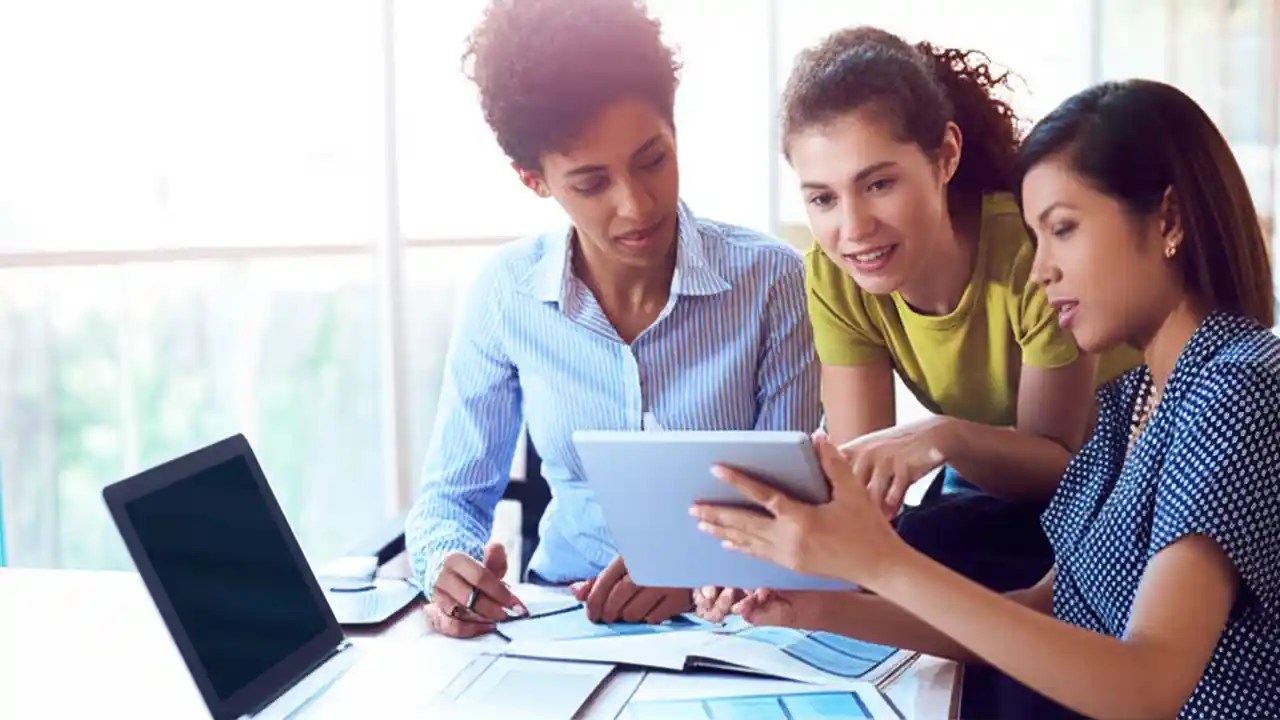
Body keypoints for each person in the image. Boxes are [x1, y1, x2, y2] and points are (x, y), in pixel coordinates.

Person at [694, 79, 1280, 719]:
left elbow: (1146, 687)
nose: (1040, 269)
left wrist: (882, 561)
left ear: (1167, 220)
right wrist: (812, 607)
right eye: (1036, 236)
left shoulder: (1238, 385)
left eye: (1063, 229)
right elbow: (1043, 610)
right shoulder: (1131, 402)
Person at [405, 0, 821, 639]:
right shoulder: (505, 295)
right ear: (534, 180)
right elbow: (449, 501)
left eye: (652, 159)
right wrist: (447, 569)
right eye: (591, 183)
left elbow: (796, 509)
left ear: (675, 130)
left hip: (736, 623)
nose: (636, 205)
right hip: (559, 620)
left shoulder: (771, 279)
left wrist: (694, 570)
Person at [696, 27, 1140, 622]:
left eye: (879, 184)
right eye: (823, 199)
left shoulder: (1029, 257)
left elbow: (1055, 470)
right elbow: (860, 488)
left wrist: (942, 438)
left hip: (1111, 490)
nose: (853, 230)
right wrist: (762, 561)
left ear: (945, 156)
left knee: (934, 553)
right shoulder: (833, 277)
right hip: (991, 494)